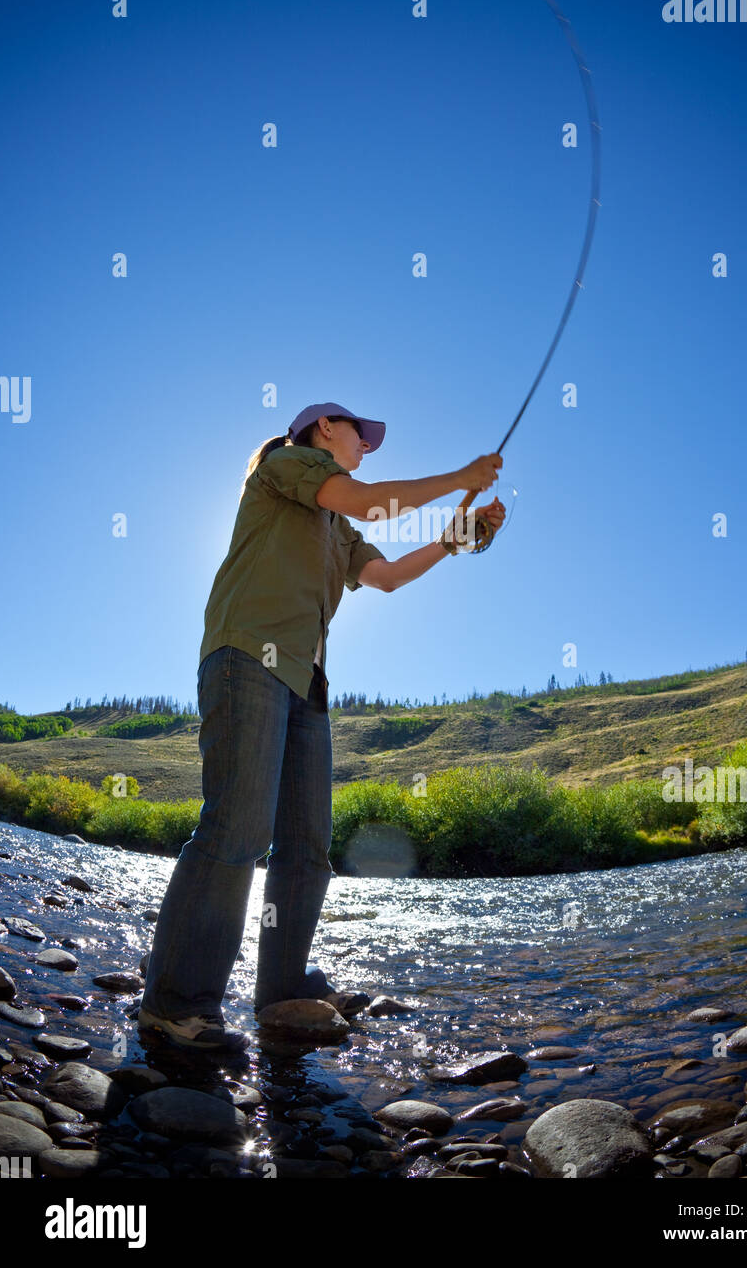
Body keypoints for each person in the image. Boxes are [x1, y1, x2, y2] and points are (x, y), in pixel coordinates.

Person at [138, 403, 504, 1050]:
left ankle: (281, 991)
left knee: (307, 848)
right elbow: (373, 503)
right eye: (360, 433)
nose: (368, 444)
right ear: (323, 429)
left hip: (306, 685)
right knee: (236, 827)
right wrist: (461, 476)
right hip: (246, 658)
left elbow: (387, 577)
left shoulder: (338, 523)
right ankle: (177, 1002)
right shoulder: (287, 465)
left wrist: (458, 535)